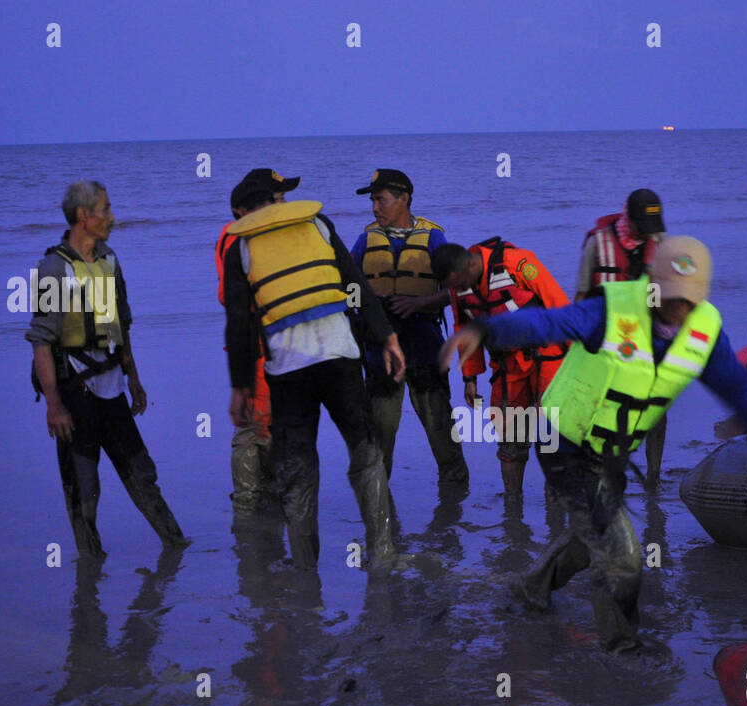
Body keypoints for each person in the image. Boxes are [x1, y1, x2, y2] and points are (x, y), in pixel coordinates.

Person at [440, 236, 747, 652]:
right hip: (562, 442)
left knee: (592, 539)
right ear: (652, 284)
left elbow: (737, 385)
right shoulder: (611, 311)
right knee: (623, 555)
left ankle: (530, 589)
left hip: (609, 453)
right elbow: (548, 322)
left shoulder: (705, 332)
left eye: (689, 299)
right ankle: (621, 648)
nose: (679, 307)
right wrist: (485, 328)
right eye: (670, 295)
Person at [221, 169, 405, 571]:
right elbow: (357, 285)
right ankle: (384, 555)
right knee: (366, 452)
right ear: (273, 201)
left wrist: (240, 387)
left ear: (245, 212)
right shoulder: (319, 225)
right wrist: (387, 337)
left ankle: (306, 568)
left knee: (299, 469)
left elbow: (239, 322)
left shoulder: (241, 249)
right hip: (340, 357)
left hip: (289, 373)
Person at [27, 181, 186, 558]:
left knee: (142, 473)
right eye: (106, 209)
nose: (113, 218)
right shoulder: (53, 268)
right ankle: (90, 562)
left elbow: (122, 323)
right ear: (84, 216)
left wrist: (134, 378)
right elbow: (40, 342)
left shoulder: (109, 260)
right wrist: (54, 405)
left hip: (113, 389)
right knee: (84, 488)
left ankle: (176, 546)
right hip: (73, 396)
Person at [351, 169, 468, 483]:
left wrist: (420, 303)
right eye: (373, 201)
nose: (375, 208)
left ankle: (455, 502)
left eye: (381, 200)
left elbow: (459, 288)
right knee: (380, 434)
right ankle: (379, 511)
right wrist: (365, 304)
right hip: (380, 355)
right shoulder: (365, 241)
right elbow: (347, 291)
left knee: (440, 428)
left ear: (404, 199)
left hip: (425, 349)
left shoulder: (434, 239)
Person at [430, 238, 569, 495]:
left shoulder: (518, 263)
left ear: (471, 266)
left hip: (547, 356)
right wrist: (470, 378)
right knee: (509, 439)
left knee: (554, 438)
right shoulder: (457, 285)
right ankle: (512, 502)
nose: (457, 291)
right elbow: (464, 328)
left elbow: (558, 304)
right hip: (507, 368)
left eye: (459, 285)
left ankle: (557, 506)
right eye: (452, 287)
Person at [575, 188, 669, 487]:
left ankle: (653, 479)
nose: (649, 234)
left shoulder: (660, 243)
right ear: (630, 218)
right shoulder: (597, 244)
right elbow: (580, 296)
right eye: (644, 226)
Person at [217, 169, 294, 511]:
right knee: (255, 426)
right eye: (277, 199)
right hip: (258, 346)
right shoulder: (239, 239)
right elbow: (236, 301)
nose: (283, 204)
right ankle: (249, 505)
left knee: (276, 424)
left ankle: (268, 497)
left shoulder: (255, 234)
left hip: (275, 345)